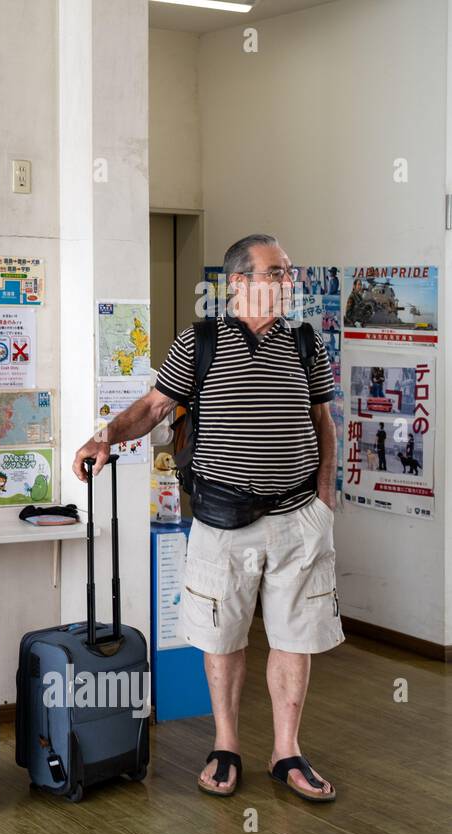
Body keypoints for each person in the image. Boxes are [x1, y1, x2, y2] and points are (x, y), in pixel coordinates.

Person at [72, 233, 343, 803]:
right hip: (222, 521)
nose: (287, 282)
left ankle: (286, 750)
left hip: (299, 518)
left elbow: (324, 421)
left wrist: (324, 499)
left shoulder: (304, 342)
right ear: (240, 282)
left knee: (295, 638)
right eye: (276, 272)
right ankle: (227, 746)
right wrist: (105, 439)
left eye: (289, 272)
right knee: (222, 638)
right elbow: (153, 408)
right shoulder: (200, 340)